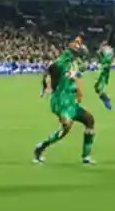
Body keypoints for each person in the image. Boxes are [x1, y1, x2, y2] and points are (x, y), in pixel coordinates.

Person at [33, 36, 97, 165]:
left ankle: (86, 156)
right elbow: (50, 68)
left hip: (71, 102)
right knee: (67, 126)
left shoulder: (75, 63)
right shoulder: (62, 61)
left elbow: (78, 75)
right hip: (61, 101)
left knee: (89, 120)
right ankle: (41, 147)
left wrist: (78, 92)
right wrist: (46, 86)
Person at [93, 41, 115, 111]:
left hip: (103, 73)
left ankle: (108, 104)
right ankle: (106, 99)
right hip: (100, 71)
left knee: (99, 89)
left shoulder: (109, 52)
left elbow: (107, 62)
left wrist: (103, 65)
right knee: (97, 88)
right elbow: (100, 59)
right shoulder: (104, 51)